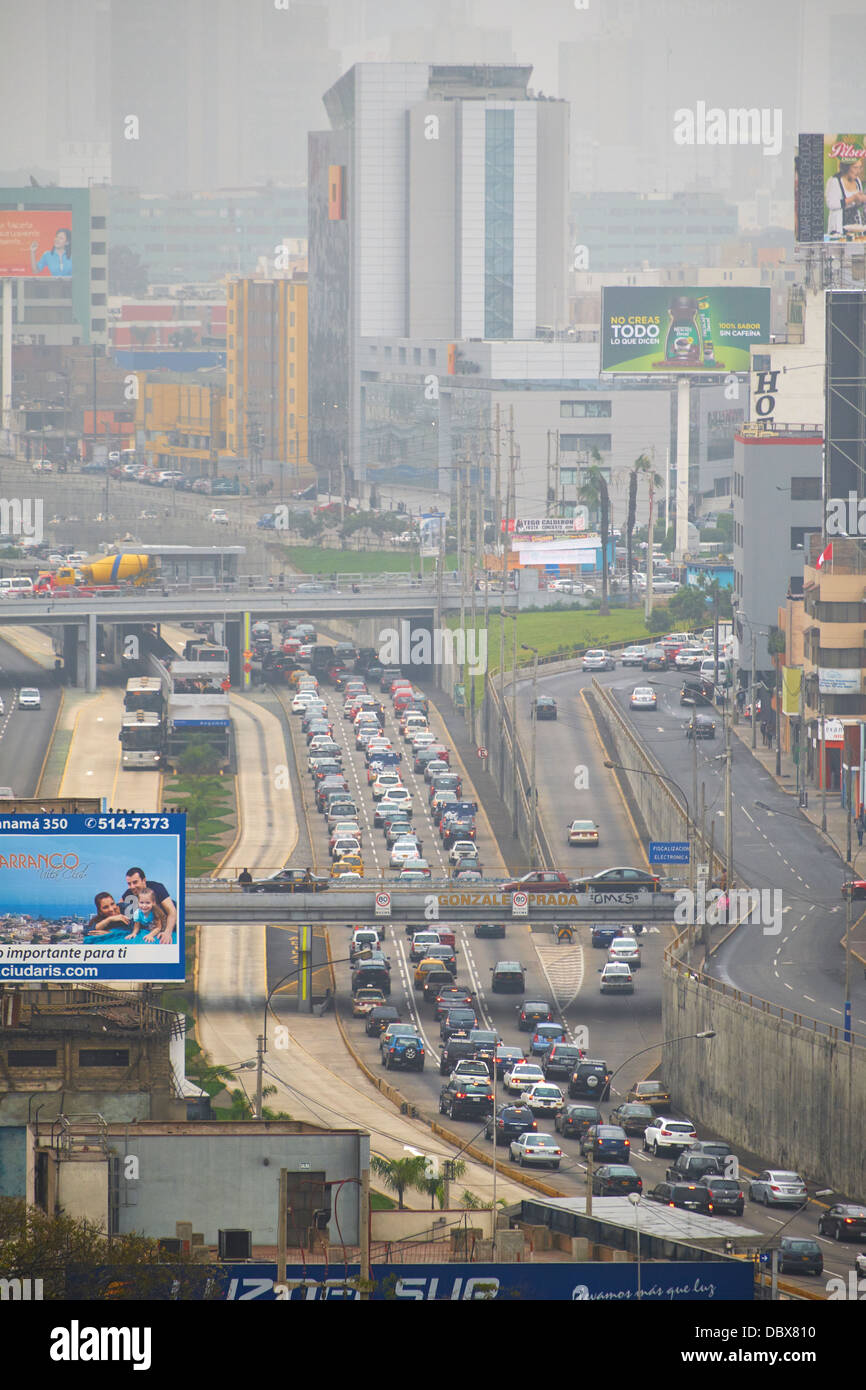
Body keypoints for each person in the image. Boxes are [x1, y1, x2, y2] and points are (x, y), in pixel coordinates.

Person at [121, 866, 177, 945]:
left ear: (144, 880)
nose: (132, 886)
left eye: (135, 882)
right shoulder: (129, 893)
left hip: (173, 915)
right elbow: (116, 909)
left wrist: (167, 933)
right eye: (129, 884)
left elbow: (172, 911)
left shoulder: (157, 887)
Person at [825, 155, 866, 237]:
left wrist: (861, 200)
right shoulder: (834, 181)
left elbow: (857, 204)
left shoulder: (857, 181)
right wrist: (853, 198)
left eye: (860, 167)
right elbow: (831, 205)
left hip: (855, 224)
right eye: (855, 168)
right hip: (839, 225)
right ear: (846, 167)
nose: (858, 171)